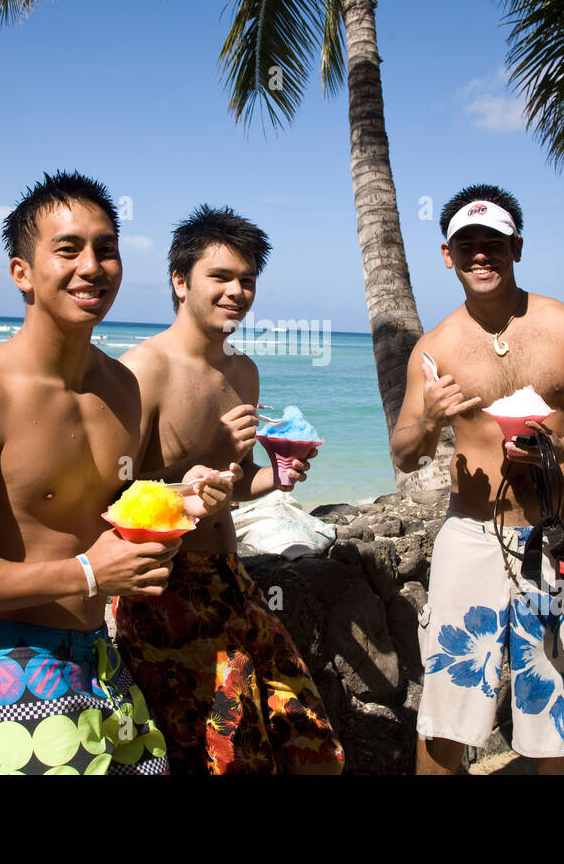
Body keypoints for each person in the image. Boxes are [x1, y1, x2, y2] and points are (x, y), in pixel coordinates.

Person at [0, 171, 234, 776]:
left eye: (106, 248)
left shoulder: (121, 387)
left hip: (101, 653)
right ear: (20, 273)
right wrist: (84, 573)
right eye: (68, 248)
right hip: (11, 661)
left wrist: (183, 495)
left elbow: (106, 501)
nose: (92, 265)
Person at [391, 185, 564, 775]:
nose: (482, 255)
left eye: (495, 244)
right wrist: (429, 419)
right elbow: (406, 454)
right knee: (447, 712)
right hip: (471, 540)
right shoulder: (434, 349)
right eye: (467, 245)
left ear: (518, 248)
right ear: (447, 255)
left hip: (553, 539)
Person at [113, 205, 345, 775]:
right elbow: (112, 501)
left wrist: (277, 477)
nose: (237, 291)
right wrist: (212, 461)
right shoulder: (143, 371)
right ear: (180, 281)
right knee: (220, 758)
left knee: (308, 740)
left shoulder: (243, 371)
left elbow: (230, 489)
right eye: (220, 277)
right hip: (164, 593)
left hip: (232, 579)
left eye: (247, 280)